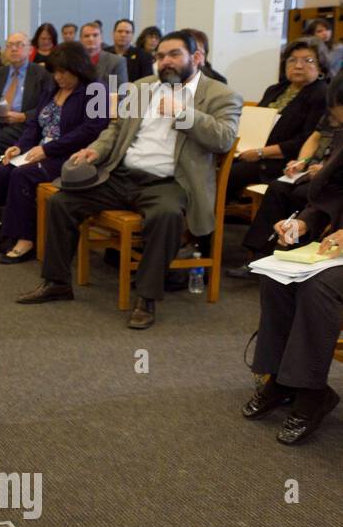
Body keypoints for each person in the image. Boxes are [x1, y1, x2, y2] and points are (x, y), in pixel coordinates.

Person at [17, 31, 242, 329]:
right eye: (160, 57)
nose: (166, 62)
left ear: (196, 58)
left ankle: (146, 298)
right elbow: (115, 128)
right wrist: (94, 151)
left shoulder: (220, 95)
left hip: (169, 182)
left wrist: (183, 114)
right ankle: (57, 282)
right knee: (61, 201)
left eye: (174, 55)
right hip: (121, 174)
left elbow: (224, 139)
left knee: (166, 216)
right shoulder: (143, 88)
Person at [243, 73, 343, 444]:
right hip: (335, 247)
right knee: (277, 273)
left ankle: (311, 391)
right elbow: (331, 195)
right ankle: (280, 379)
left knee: (319, 288)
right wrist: (303, 223)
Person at [0, 42, 107, 262]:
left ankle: (25, 238)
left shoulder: (94, 90)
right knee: (0, 173)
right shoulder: (52, 89)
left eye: (63, 72)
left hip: (70, 156)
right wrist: (19, 146)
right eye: (55, 72)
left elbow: (90, 131)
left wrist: (47, 150)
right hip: (41, 150)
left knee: (22, 175)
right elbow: (34, 126)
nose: (58, 77)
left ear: (79, 68)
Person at [222, 37, 332, 280]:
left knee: (233, 176)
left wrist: (261, 152)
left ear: (321, 66)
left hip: (283, 160)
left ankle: (235, 247)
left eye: (308, 60)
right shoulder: (276, 89)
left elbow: (304, 139)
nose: (299, 65)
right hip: (257, 153)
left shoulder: (320, 94)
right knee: (217, 169)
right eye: (293, 60)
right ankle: (206, 235)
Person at [0, 32, 54, 187]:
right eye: (9, 45)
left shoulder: (41, 75)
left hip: (23, 125)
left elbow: (47, 107)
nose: (13, 49)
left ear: (30, 49)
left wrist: (23, 116)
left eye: (19, 45)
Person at [80, 21, 130, 87]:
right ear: (81, 40)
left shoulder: (115, 62)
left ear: (101, 38)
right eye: (86, 36)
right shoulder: (73, 61)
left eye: (95, 35)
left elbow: (119, 93)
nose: (91, 39)